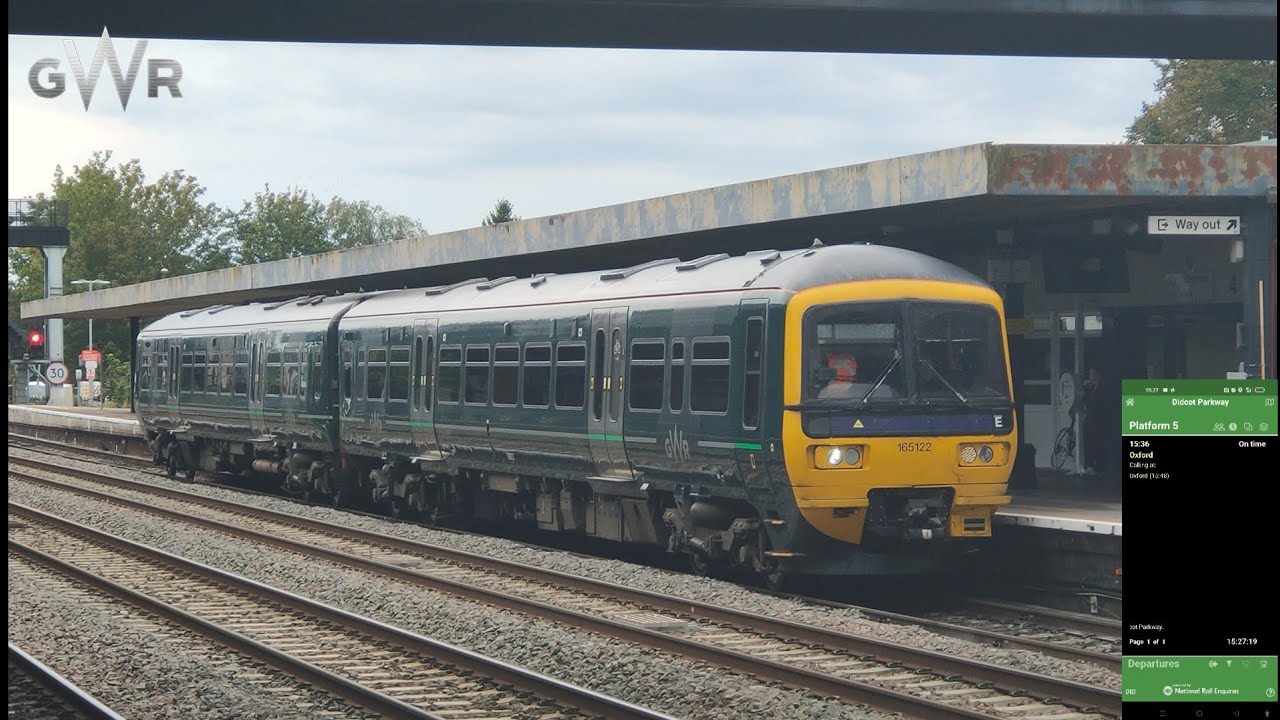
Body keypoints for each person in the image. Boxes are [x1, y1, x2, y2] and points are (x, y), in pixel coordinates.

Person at [1082, 367, 1104, 474]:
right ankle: (1089, 465)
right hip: (1089, 418)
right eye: (1090, 373)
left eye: (1093, 373)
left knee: (1096, 443)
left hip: (1097, 419)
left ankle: (1097, 466)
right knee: (1088, 442)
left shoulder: (1101, 389)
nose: (1091, 375)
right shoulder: (1088, 388)